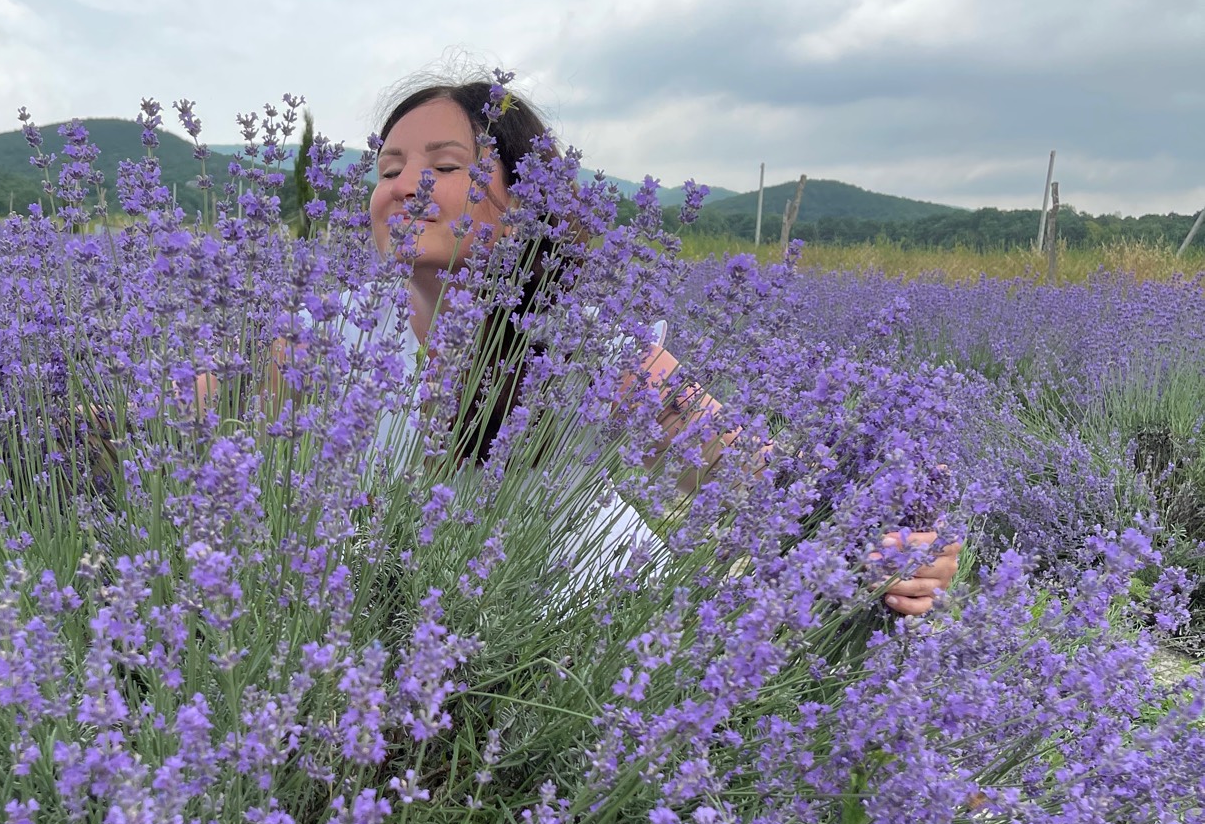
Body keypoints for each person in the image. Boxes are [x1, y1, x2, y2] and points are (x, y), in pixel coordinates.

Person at [365, 78, 960, 616]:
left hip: (579, 665)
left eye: (443, 166)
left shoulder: (586, 347)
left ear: (525, 205)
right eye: (388, 171)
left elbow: (761, 480)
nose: (402, 189)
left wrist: (893, 537)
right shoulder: (325, 344)